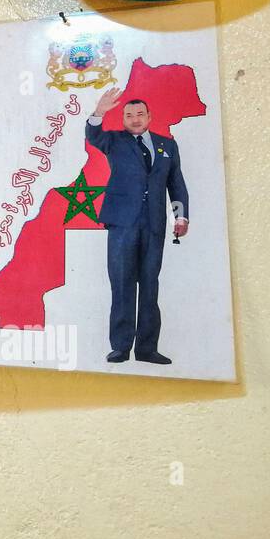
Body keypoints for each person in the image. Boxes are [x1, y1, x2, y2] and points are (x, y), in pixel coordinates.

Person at [86, 87, 189, 365]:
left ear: (149, 116)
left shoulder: (166, 145)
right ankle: (120, 347)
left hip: (154, 224)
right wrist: (99, 112)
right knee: (121, 284)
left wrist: (181, 216)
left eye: (139, 114)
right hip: (122, 224)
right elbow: (93, 135)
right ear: (122, 119)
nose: (134, 119)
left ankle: (147, 348)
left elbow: (175, 183)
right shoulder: (114, 141)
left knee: (150, 285)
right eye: (128, 115)